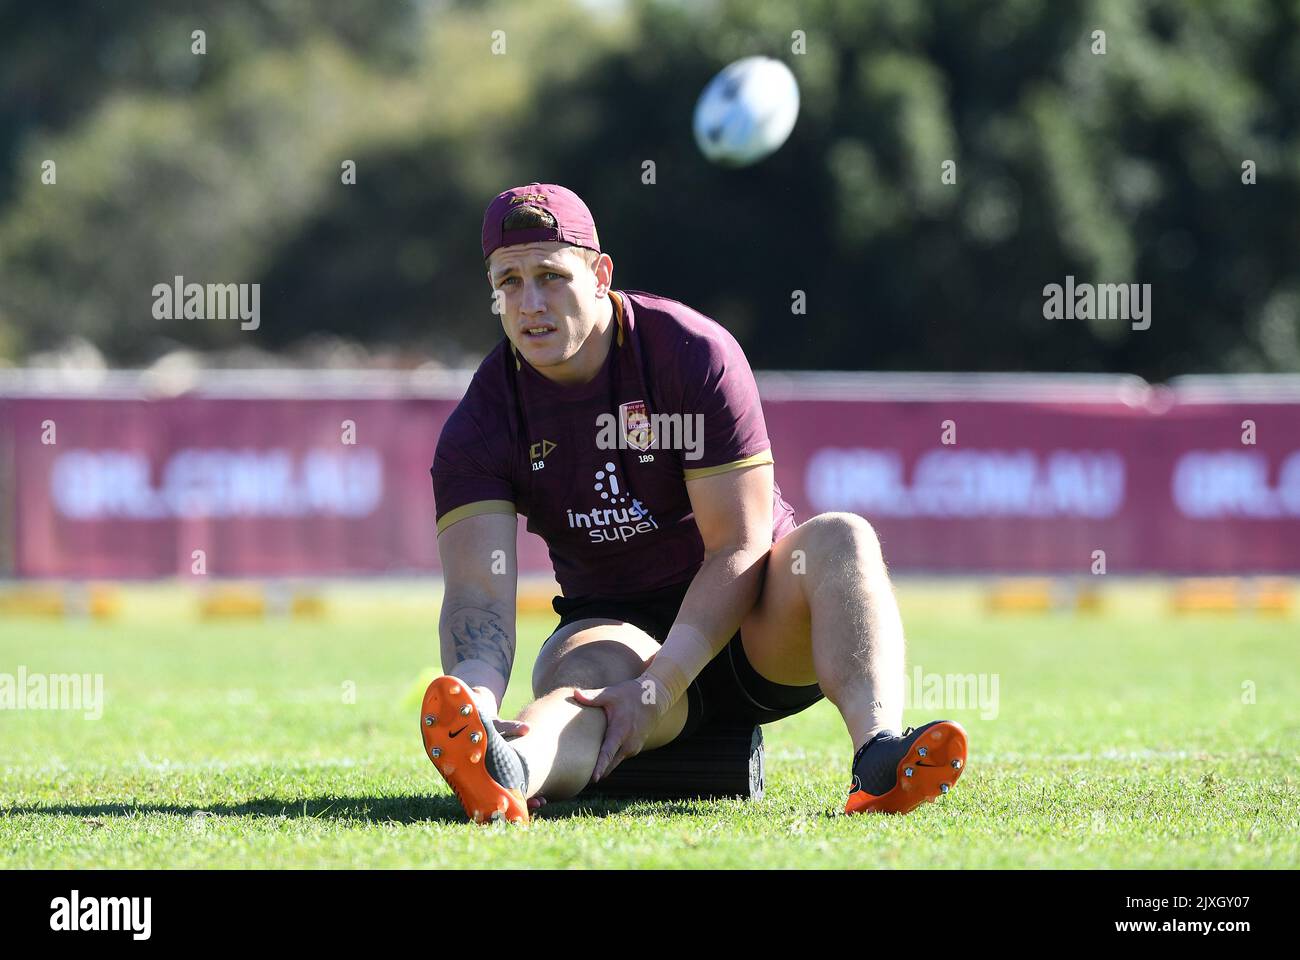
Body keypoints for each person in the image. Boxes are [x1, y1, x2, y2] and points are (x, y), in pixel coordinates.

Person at [422, 182, 966, 825]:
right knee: (580, 678)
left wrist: (667, 681)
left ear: (600, 275)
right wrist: (476, 708)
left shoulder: (689, 353)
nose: (531, 303)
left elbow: (738, 545)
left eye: (550, 275)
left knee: (843, 537)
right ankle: (506, 770)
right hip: (619, 632)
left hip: (756, 622)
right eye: (508, 281)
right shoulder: (481, 423)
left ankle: (879, 758)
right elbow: (477, 602)